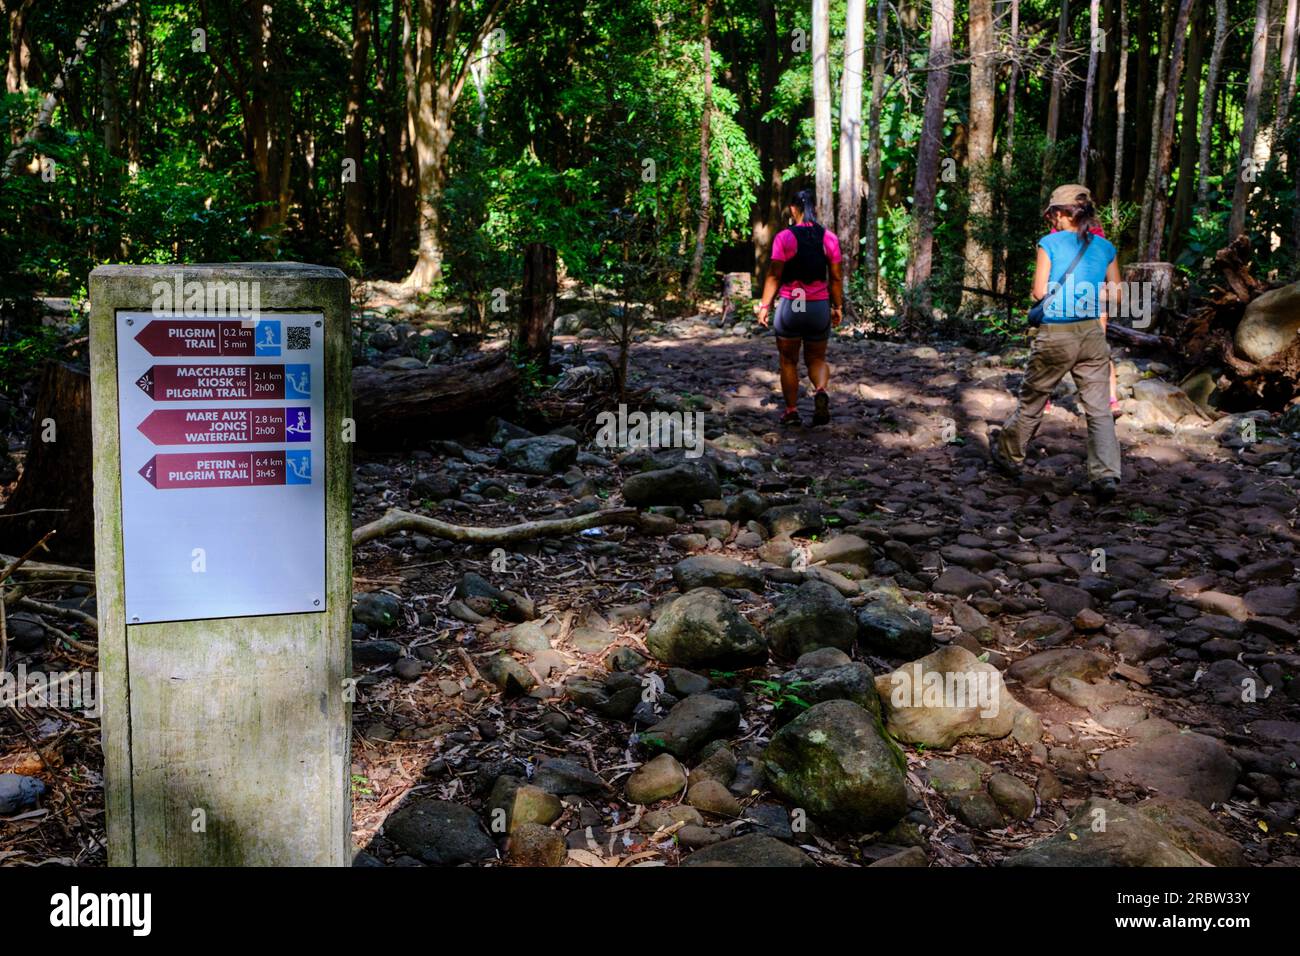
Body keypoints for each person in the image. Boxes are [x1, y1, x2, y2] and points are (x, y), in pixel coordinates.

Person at [991, 184, 1123, 501]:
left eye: (1055, 214)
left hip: (1056, 334)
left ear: (1063, 213)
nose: (1054, 220)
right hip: (1092, 334)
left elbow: (1039, 292)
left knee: (1034, 398)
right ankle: (1106, 476)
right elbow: (1117, 295)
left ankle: (1009, 456)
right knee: (1099, 409)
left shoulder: (1049, 243)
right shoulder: (1106, 248)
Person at [755, 188, 844, 426]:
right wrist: (837, 307)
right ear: (815, 209)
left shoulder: (785, 237)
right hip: (817, 306)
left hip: (793, 303)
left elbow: (774, 275)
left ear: (794, 209)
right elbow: (835, 278)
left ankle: (792, 411)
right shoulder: (829, 238)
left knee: (788, 361)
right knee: (816, 358)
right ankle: (821, 390)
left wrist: (765, 305)